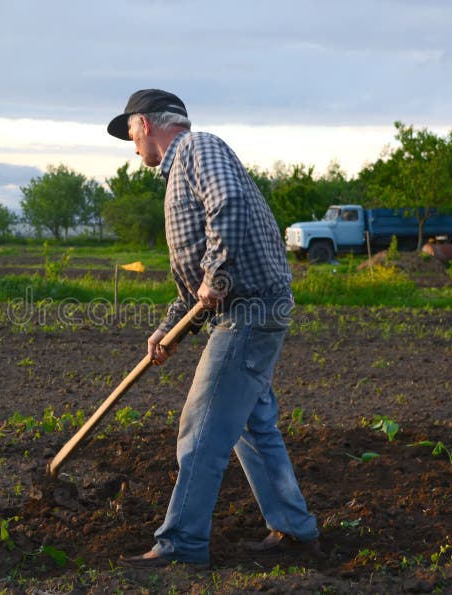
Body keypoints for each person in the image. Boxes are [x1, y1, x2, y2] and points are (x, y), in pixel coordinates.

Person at [107, 89, 320, 568]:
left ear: (144, 123)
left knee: (200, 426)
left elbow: (231, 207)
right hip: (244, 307)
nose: (131, 144)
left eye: (130, 133)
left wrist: (217, 276)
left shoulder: (198, 148)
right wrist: (168, 330)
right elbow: (194, 289)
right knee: (252, 424)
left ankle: (181, 544)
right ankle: (294, 528)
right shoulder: (178, 174)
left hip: (248, 310)